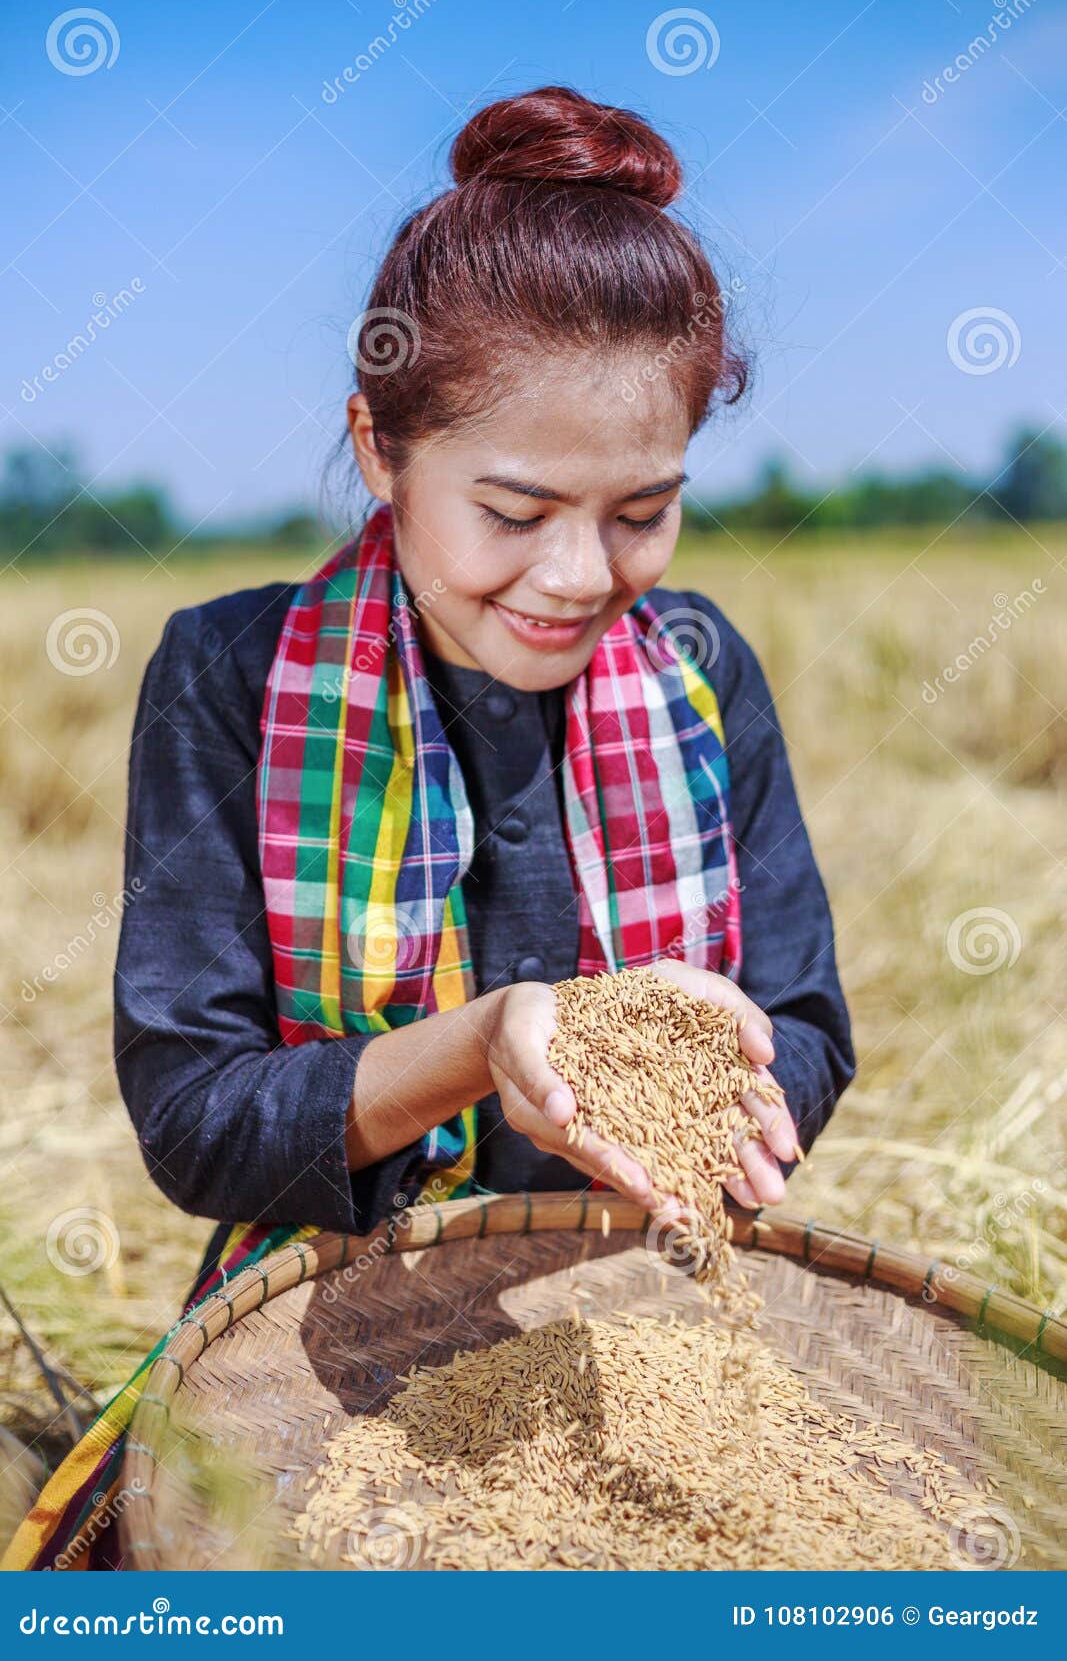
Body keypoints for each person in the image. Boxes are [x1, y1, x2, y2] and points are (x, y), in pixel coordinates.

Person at [6, 85, 853, 1572]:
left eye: (644, 509)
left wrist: (716, 1058)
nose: (585, 574)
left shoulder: (701, 671)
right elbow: (200, 1115)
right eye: (515, 510)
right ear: (380, 446)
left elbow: (805, 1028)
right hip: (326, 1336)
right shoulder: (232, 679)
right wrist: (487, 1044)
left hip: (642, 1325)